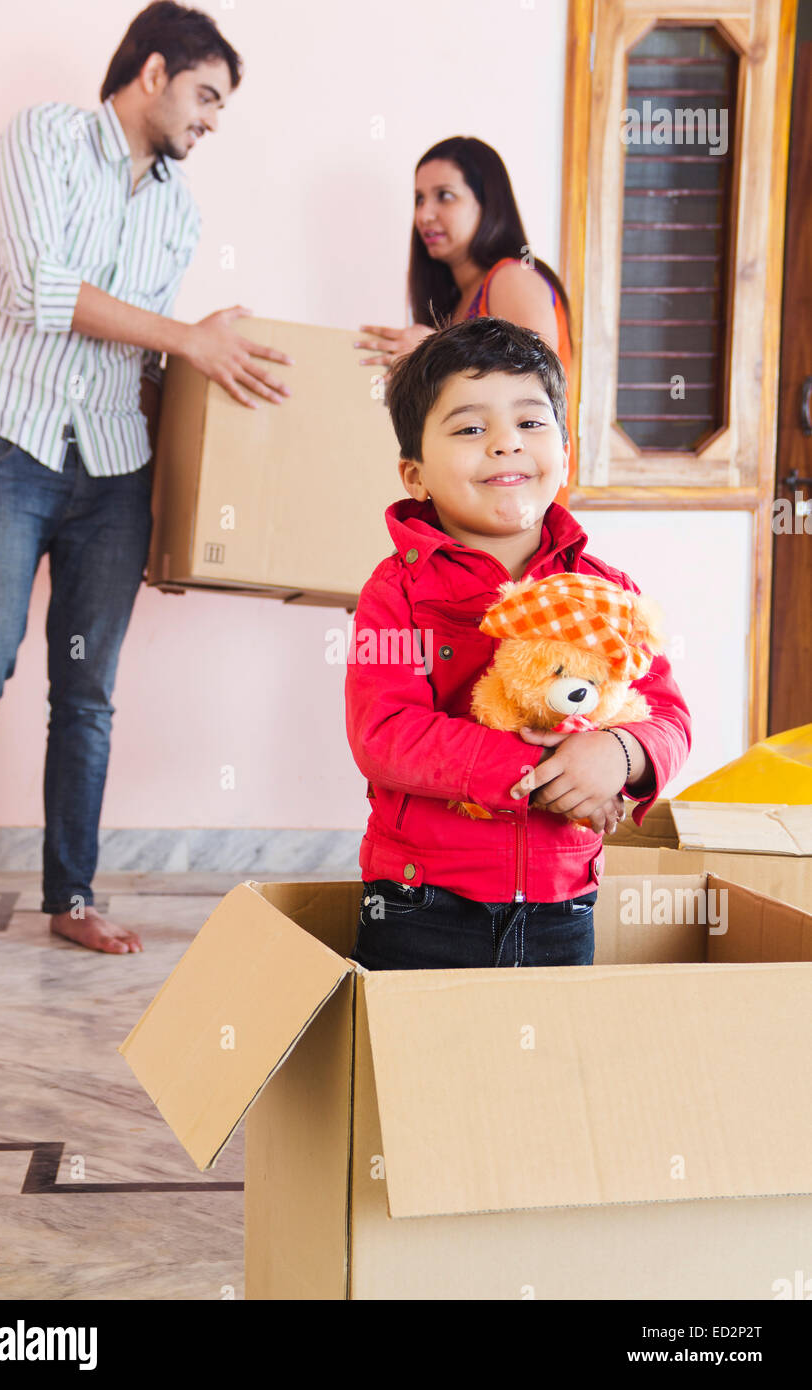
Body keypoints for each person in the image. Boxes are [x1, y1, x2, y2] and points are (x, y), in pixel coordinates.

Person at [0, 2, 294, 955]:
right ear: (153, 72)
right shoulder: (44, 137)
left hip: (112, 475)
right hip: (4, 450)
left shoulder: (178, 209)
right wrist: (188, 338)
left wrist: (177, 505)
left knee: (86, 691)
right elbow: (34, 288)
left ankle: (72, 897)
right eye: (207, 95)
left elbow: (139, 364)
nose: (213, 120)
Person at [345, 318, 691, 971]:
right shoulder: (396, 592)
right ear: (413, 474)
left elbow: (668, 718)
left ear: (566, 448)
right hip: (420, 903)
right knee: (418, 1067)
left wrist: (617, 754)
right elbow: (384, 733)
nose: (506, 445)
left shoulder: (607, 593)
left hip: (564, 905)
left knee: (546, 1070)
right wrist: (544, 773)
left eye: (531, 424)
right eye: (472, 429)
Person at [353, 136, 576, 507]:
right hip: (472, 509)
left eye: (445, 196)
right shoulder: (455, 302)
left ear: (487, 204)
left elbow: (533, 394)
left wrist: (430, 355)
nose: (424, 214)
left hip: (519, 508)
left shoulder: (511, 278)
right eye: (419, 199)